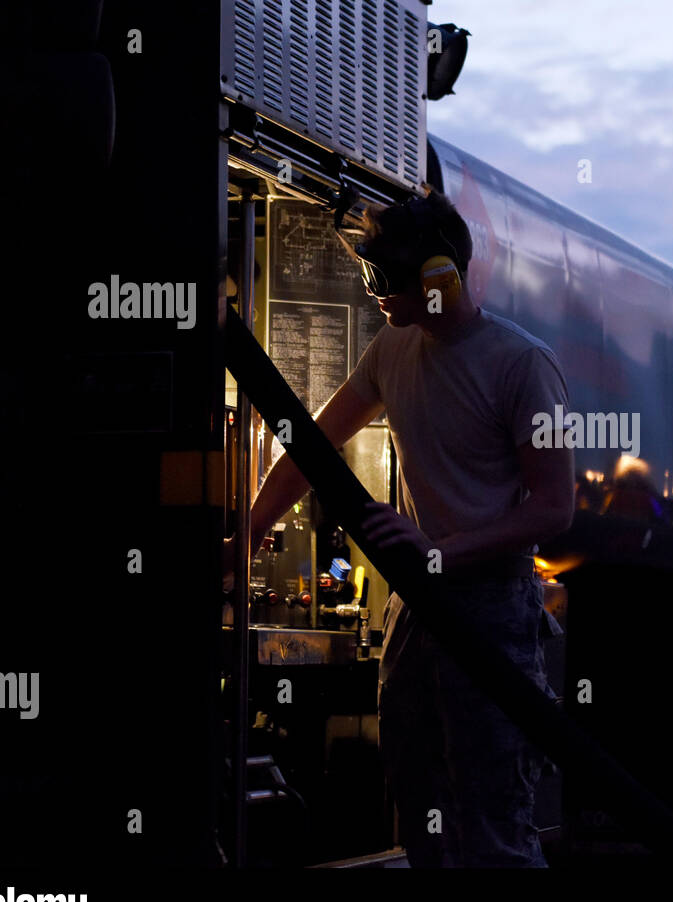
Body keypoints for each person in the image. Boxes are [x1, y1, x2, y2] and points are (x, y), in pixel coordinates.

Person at [229, 189, 574, 866]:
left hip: (493, 614)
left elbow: (552, 508)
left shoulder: (521, 365)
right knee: (421, 804)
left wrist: (441, 551)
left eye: (385, 279)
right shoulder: (393, 349)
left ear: (440, 276)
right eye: (370, 276)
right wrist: (246, 534)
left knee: (492, 821)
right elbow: (311, 447)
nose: (374, 292)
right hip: (418, 606)